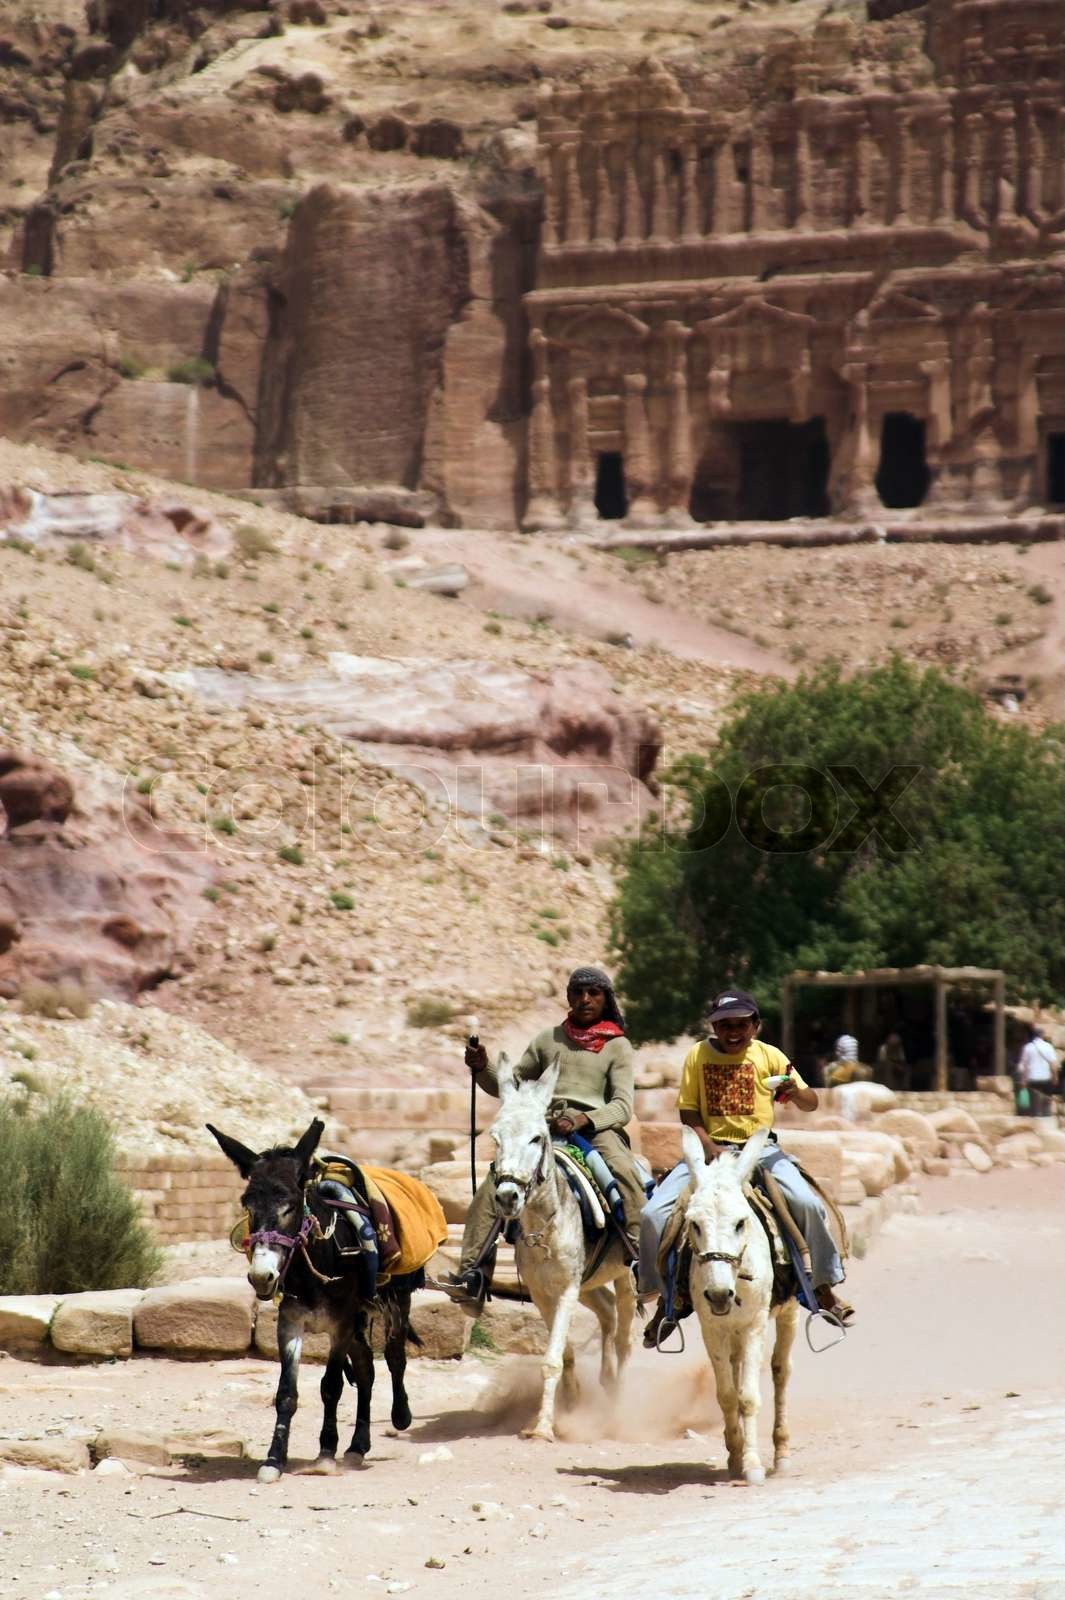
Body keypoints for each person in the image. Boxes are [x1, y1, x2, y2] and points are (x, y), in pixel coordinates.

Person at [640, 988, 852, 1345]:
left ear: (755, 1025)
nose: (733, 1032)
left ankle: (823, 1285)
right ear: (714, 1027)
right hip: (709, 1152)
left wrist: (793, 1090)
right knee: (653, 1214)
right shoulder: (698, 1055)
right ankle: (663, 1296)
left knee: (807, 1203)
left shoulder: (770, 1056)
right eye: (725, 1026)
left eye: (741, 1024)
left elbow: (811, 1102)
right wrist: (708, 1146)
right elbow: (688, 1111)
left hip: (760, 1150)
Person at [437, 965, 646, 1312]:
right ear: (568, 997)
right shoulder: (547, 1040)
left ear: (605, 999)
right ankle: (472, 1273)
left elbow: (622, 1106)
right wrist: (483, 1066)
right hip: (543, 1128)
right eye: (578, 992)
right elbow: (512, 1087)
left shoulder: (618, 1047)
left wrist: (584, 1119)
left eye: (593, 993)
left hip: (597, 1131)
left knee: (623, 1173)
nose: (585, 999)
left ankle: (641, 1261)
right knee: (496, 1183)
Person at [1016, 1025, 1058, 1116]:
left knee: (1034, 1105)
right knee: (1047, 1102)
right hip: (1046, 1078)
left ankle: (1036, 1119)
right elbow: (1053, 1065)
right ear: (1042, 1035)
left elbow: (1023, 1066)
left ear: (1033, 1036)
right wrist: (1055, 1077)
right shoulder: (1048, 1047)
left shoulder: (1027, 1047)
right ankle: (1047, 1118)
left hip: (1032, 1078)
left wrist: (1023, 1079)